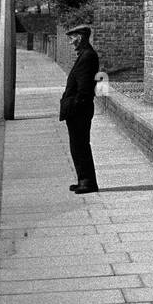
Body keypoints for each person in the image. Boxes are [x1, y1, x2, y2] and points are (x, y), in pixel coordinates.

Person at [58, 24, 100, 195]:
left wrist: (74, 106)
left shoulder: (88, 56)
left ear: (80, 37)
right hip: (78, 110)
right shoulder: (85, 55)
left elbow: (84, 89)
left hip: (79, 111)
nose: (71, 42)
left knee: (80, 146)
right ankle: (83, 180)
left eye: (72, 38)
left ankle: (87, 182)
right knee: (78, 146)